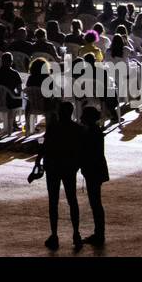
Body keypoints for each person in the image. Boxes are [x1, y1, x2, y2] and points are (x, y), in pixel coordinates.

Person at [37, 101, 83, 250]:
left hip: (53, 166)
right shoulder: (77, 129)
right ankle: (76, 234)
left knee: (53, 202)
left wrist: (38, 162)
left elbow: (45, 146)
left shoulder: (53, 127)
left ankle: (54, 235)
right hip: (69, 167)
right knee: (72, 200)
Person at [79, 106, 109, 247]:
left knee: (95, 203)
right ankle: (99, 233)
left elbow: (87, 152)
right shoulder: (95, 131)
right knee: (96, 202)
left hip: (93, 171)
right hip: (96, 170)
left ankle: (99, 234)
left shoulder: (91, 132)